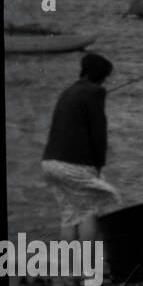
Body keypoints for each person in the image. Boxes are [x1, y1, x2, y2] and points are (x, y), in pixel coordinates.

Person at [42, 52, 121, 240]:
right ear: (101, 75)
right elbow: (98, 132)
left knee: (70, 214)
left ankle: (69, 267)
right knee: (91, 208)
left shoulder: (69, 91)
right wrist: (99, 165)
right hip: (73, 165)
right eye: (106, 77)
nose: (105, 82)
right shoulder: (95, 91)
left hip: (50, 164)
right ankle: (88, 265)